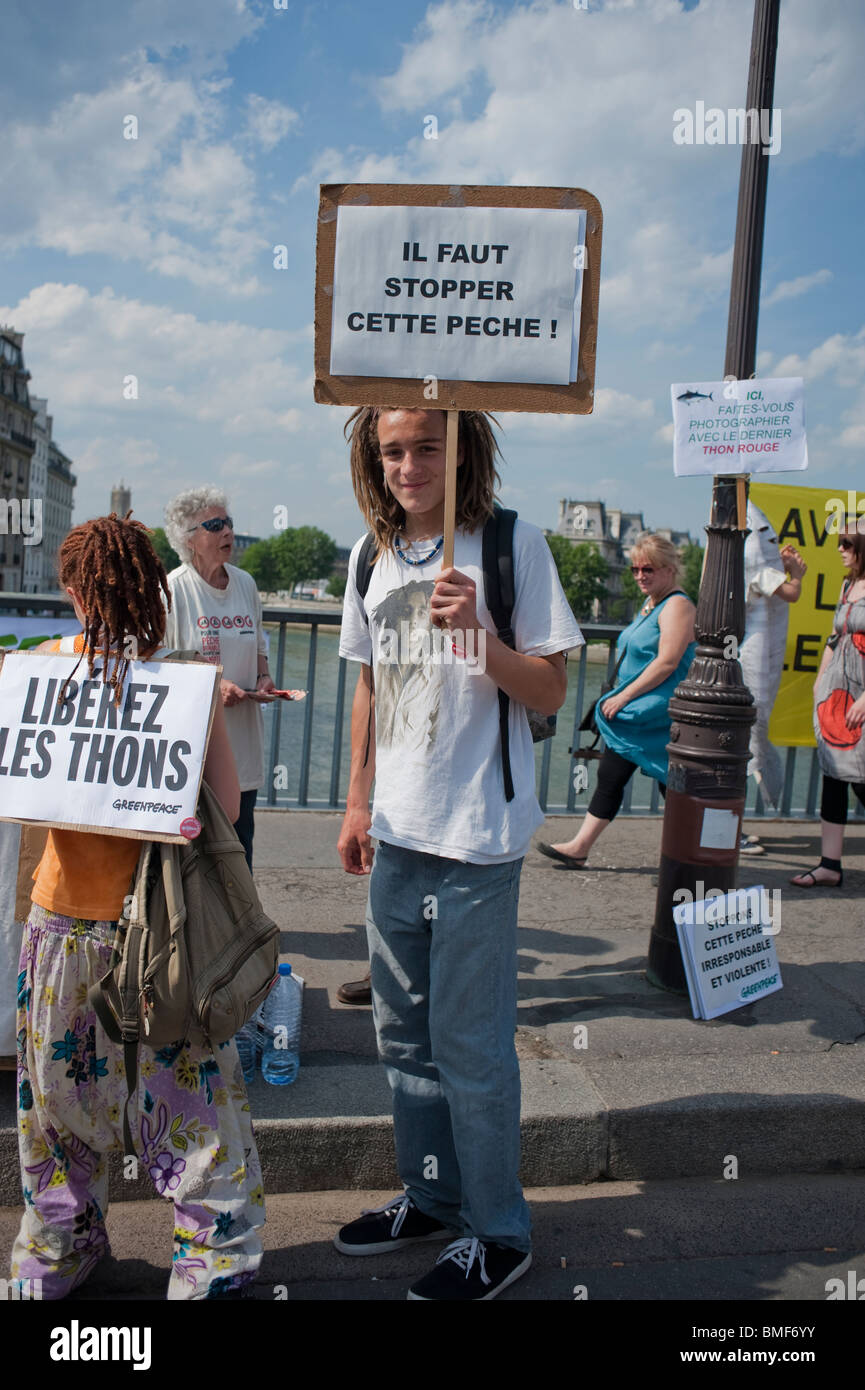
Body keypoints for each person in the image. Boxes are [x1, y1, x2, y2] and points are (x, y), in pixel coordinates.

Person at [333, 406, 583, 1300]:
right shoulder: (368, 554)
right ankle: (432, 1198)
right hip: (397, 833)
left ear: (462, 446)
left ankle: (498, 1231)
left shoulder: (511, 545)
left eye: (424, 446)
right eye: (391, 450)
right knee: (401, 1036)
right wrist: (357, 801)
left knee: (468, 1046)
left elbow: (552, 684)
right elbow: (367, 685)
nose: (407, 465)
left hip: (477, 839)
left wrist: (481, 640)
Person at [9, 514, 265, 1300]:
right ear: (152, 588)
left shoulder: (37, 671)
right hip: (160, 934)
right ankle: (213, 1254)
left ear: (69, 589)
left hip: (58, 929)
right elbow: (224, 803)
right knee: (189, 1098)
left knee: (55, 1107)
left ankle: (60, 1246)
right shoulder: (183, 681)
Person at [537, 533, 696, 868]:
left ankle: (688, 859)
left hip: (657, 715)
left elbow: (667, 661)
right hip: (637, 714)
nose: (639, 575)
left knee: (675, 789)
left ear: (669, 569)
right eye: (636, 569)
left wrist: (623, 695)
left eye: (648, 569)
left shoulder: (678, 605)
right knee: (612, 777)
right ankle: (580, 846)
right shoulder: (651, 603)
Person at [163, 489, 274, 869]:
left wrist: (263, 678)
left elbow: (258, 638)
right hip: (195, 749)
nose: (227, 531)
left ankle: (241, 927)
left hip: (243, 741)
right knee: (193, 852)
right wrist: (213, 686)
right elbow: (161, 663)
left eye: (229, 523)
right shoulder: (173, 590)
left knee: (240, 845)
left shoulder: (245, 583)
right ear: (188, 539)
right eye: (215, 525)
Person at [791, 516, 865, 888]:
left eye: (847, 543)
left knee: (861, 778)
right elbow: (836, 639)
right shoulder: (848, 585)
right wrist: (821, 682)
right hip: (837, 695)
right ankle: (829, 865)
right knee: (834, 775)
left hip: (862, 697)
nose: (840, 549)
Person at [738, 502, 806, 855]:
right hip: (753, 661)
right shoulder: (760, 568)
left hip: (735, 655)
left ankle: (729, 822)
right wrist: (795, 573)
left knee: (741, 739)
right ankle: (734, 820)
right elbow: (791, 593)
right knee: (750, 736)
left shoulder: (739, 564)